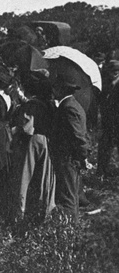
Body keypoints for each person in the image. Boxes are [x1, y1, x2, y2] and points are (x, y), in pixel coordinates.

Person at [49, 71, 91, 220]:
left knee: (68, 196)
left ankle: (69, 229)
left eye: (56, 88)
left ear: (62, 89)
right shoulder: (72, 104)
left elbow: (77, 136)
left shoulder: (68, 108)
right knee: (71, 193)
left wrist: (82, 156)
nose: (54, 91)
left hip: (68, 157)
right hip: (71, 156)